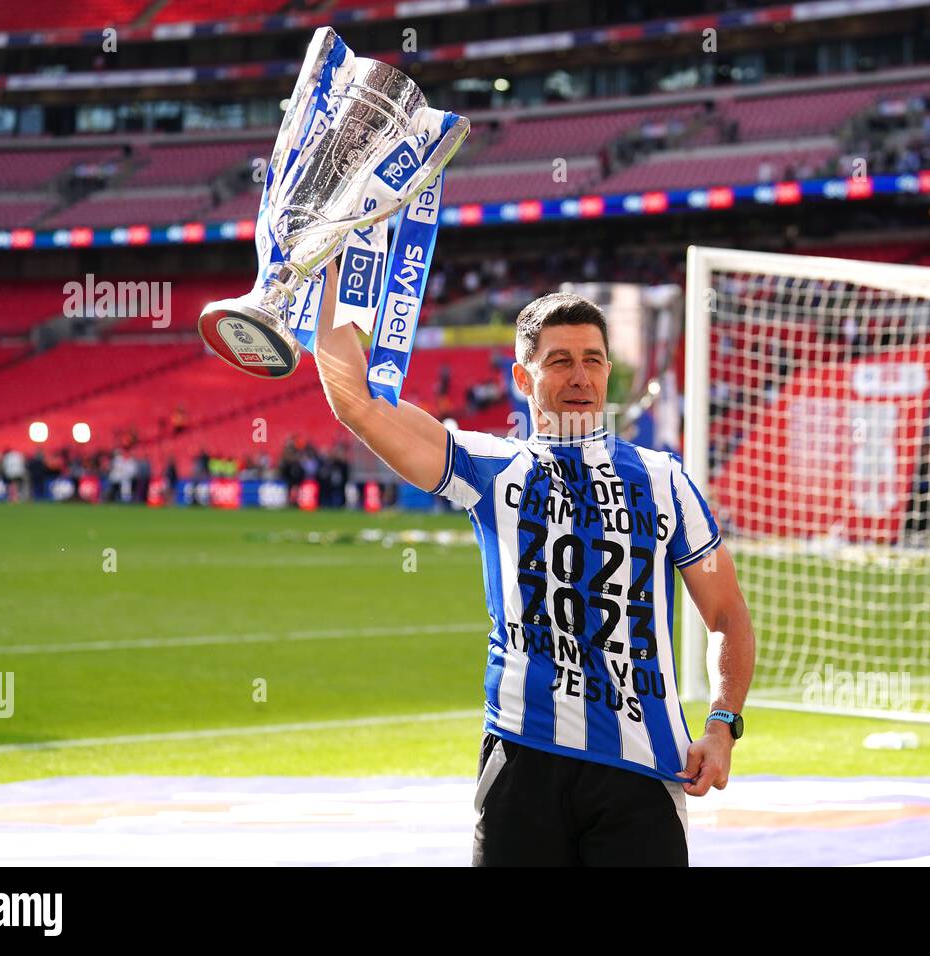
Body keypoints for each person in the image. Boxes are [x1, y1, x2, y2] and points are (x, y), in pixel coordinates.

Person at [313, 263, 755, 867]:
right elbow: (359, 404)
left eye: (593, 360)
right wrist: (327, 272)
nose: (580, 376)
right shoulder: (488, 468)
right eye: (559, 361)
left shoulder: (663, 480)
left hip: (642, 771)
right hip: (523, 762)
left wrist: (723, 725)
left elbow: (727, 614)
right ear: (523, 377)